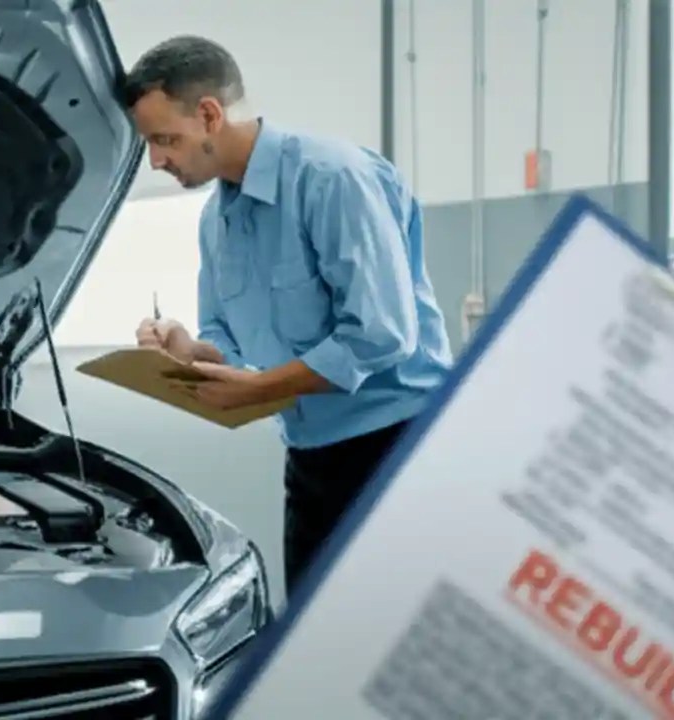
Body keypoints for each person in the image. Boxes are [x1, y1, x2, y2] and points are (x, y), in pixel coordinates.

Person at [124, 36, 453, 598]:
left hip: (398, 449)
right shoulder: (215, 219)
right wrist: (189, 352)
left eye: (164, 140)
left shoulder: (333, 178)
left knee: (390, 646)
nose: (157, 161)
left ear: (208, 115)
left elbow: (381, 335)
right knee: (309, 647)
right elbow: (228, 337)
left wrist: (259, 389)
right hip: (309, 457)